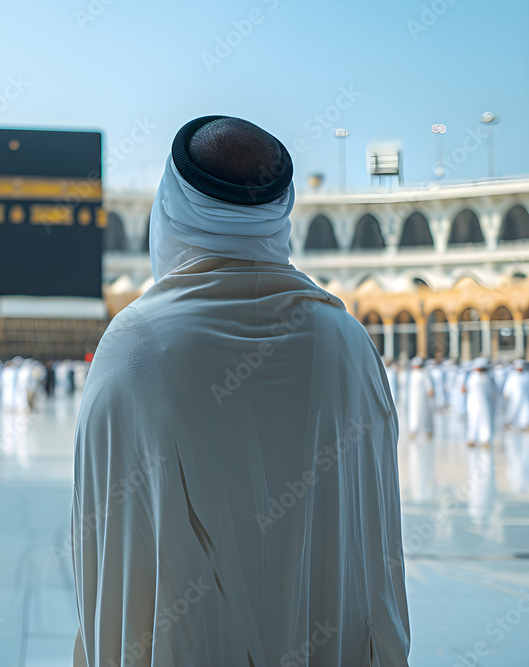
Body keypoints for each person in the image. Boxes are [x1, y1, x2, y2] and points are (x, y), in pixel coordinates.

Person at [71, 116, 409, 666]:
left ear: (172, 207)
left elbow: (110, 564)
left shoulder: (134, 347)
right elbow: (378, 556)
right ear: (281, 210)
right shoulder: (347, 342)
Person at [464, 357, 497, 448]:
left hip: (487, 404)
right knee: (473, 421)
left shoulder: (489, 377)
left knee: (486, 421)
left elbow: (494, 391)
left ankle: (486, 440)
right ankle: (472, 439)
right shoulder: (472, 377)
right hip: (473, 404)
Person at [405, 356, 434, 440]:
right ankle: (413, 430)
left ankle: (427, 430)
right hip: (413, 398)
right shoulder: (411, 374)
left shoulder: (424, 373)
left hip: (423, 398)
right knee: (413, 414)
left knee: (425, 414)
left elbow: (429, 387)